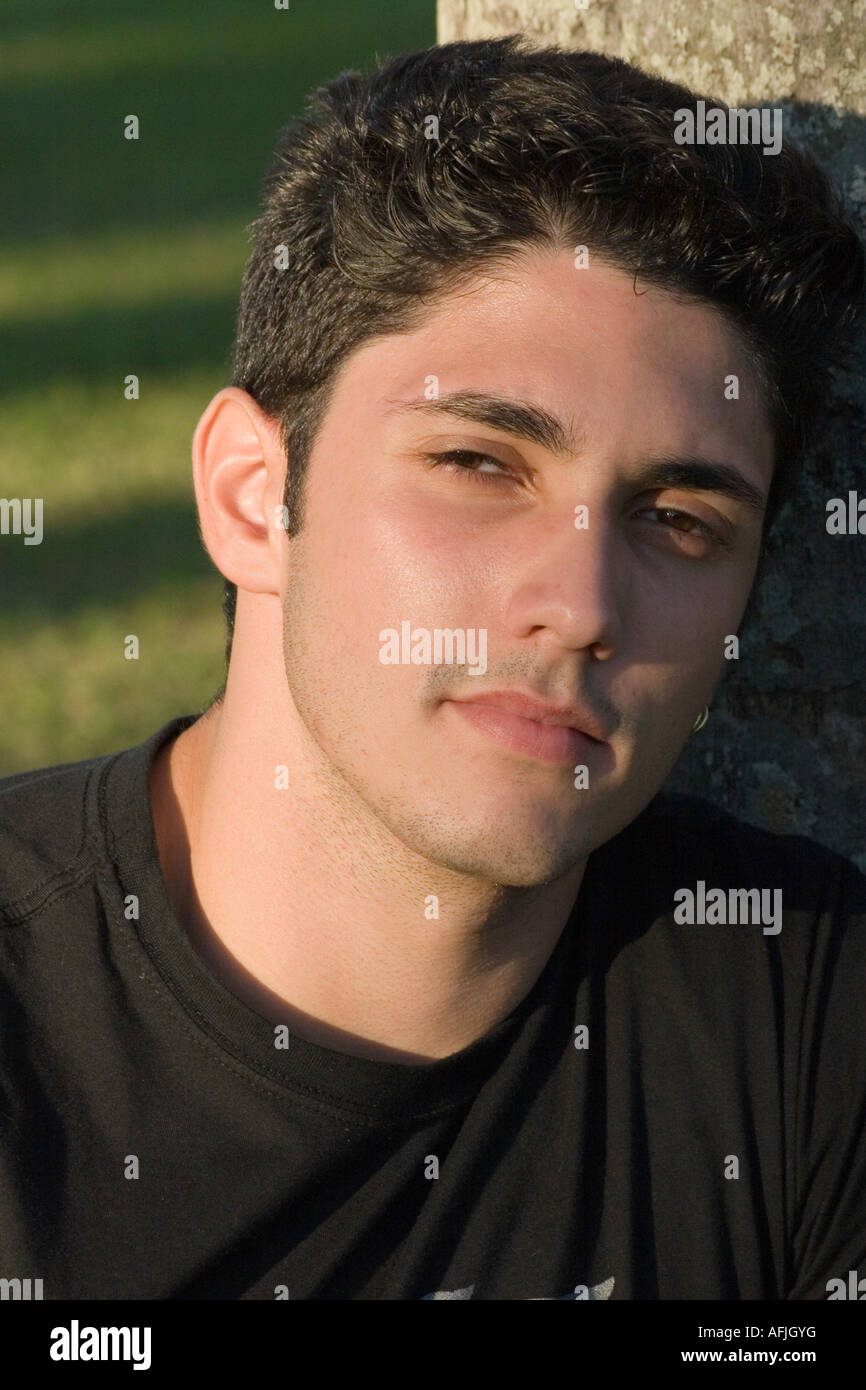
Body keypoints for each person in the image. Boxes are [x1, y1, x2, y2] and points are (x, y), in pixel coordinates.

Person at [1, 35, 864, 1302]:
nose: (577, 606)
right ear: (254, 497)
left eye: (678, 520)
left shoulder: (808, 1030)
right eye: (478, 464)